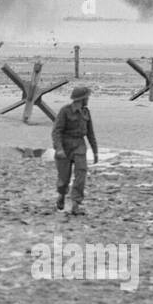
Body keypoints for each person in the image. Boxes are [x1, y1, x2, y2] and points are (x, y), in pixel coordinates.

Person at [51, 85, 98, 216]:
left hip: (79, 146)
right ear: (81, 99)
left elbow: (90, 133)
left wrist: (95, 152)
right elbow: (56, 132)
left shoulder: (86, 112)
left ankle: (76, 204)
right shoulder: (65, 111)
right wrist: (59, 148)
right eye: (87, 97)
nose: (88, 99)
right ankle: (61, 195)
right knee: (63, 178)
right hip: (65, 146)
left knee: (81, 174)